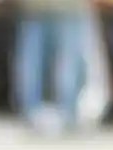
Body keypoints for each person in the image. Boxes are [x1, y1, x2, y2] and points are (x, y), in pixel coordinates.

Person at [15, 0, 90, 131]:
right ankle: (67, 112)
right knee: (68, 60)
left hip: (35, 8)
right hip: (69, 7)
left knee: (32, 58)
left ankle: (31, 111)